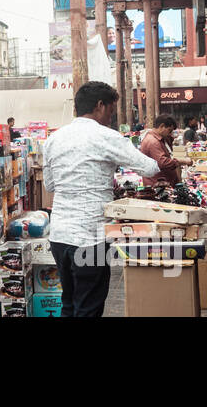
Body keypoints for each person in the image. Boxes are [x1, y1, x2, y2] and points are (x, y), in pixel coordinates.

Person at [42, 81, 159, 318]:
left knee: (69, 304)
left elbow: (50, 185)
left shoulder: (54, 139)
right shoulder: (106, 136)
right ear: (100, 105)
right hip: (89, 237)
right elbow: (150, 168)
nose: (111, 116)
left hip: (60, 235)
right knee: (88, 308)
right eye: (111, 110)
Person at [140, 115, 186, 185]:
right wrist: (181, 161)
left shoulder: (161, 138)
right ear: (162, 126)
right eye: (169, 130)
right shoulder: (153, 141)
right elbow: (162, 162)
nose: (170, 133)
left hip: (163, 182)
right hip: (158, 185)